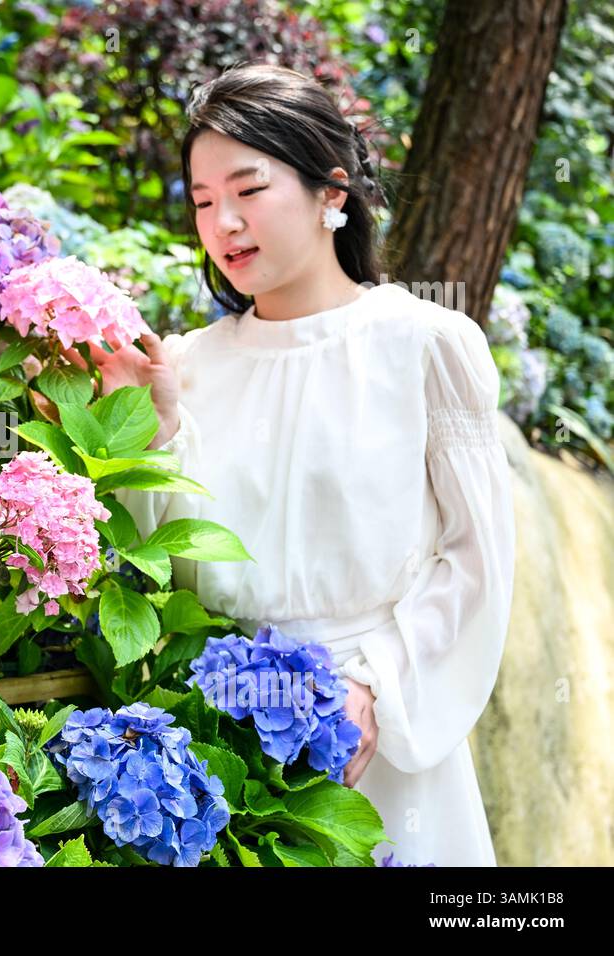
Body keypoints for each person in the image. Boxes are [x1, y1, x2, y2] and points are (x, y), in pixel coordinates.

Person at [72, 64, 515, 866]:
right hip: (218, 737)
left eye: (248, 190)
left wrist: (376, 685)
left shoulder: (425, 345)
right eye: (204, 202)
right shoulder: (187, 364)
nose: (225, 223)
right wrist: (147, 432)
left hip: (375, 735)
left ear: (331, 193)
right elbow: (169, 571)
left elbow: (476, 558)